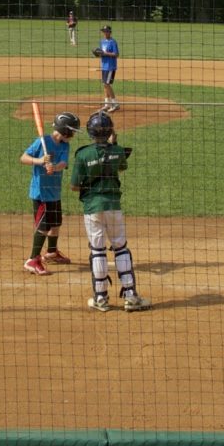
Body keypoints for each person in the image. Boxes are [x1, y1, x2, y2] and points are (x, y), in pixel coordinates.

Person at [71, 110, 149, 312]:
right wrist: (113, 146)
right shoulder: (119, 151)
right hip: (113, 206)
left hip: (92, 208)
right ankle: (131, 297)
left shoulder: (82, 154)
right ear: (110, 131)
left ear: (90, 133)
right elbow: (120, 166)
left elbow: (74, 186)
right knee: (120, 247)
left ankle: (101, 299)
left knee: (97, 250)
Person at [19, 111, 80, 275]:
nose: (73, 135)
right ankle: (32, 259)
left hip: (55, 192)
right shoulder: (42, 141)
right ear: (65, 130)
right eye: (73, 131)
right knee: (43, 227)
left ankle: (52, 252)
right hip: (41, 194)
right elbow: (23, 157)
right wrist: (39, 161)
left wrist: (54, 166)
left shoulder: (65, 145)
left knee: (56, 224)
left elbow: (63, 163)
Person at [93, 25, 120, 112]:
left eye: (106, 31)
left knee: (107, 84)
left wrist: (105, 53)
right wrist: (98, 54)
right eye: (104, 31)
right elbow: (102, 53)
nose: (105, 33)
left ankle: (115, 104)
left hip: (110, 66)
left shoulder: (113, 42)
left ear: (110, 32)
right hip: (104, 66)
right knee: (105, 85)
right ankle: (107, 104)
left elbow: (116, 54)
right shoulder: (102, 41)